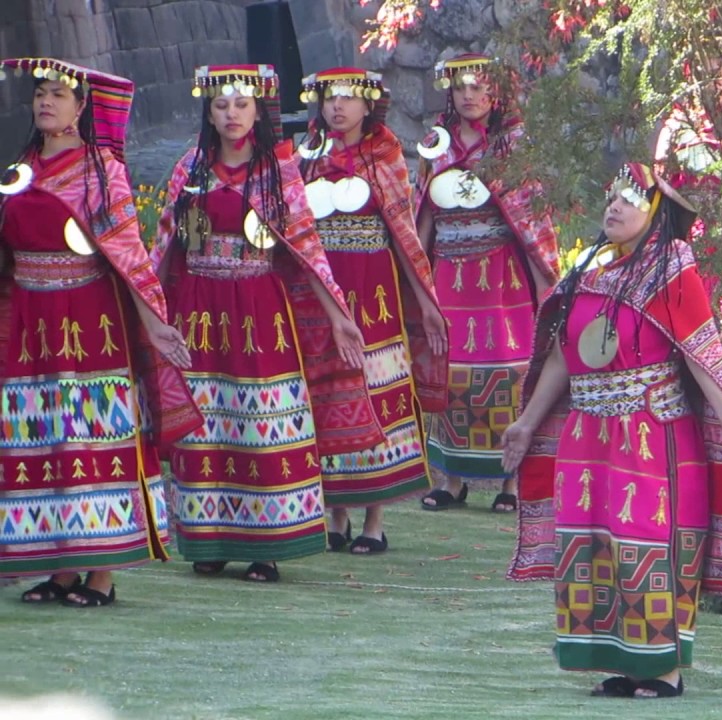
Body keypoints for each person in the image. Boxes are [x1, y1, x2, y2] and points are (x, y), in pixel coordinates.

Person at [502, 162, 722, 698]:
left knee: (643, 542)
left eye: (630, 200)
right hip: (588, 433)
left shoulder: (671, 267)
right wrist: (526, 424)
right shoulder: (590, 268)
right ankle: (619, 661)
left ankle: (663, 669)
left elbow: (699, 352)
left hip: (650, 434)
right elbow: (563, 356)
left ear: (657, 215)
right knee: (594, 544)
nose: (614, 207)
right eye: (613, 197)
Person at [151, 64, 379, 582]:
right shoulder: (190, 168)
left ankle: (266, 545)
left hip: (260, 312)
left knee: (259, 421)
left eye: (241, 104)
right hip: (201, 314)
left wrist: (338, 317)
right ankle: (208, 541)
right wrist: (152, 316)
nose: (231, 114)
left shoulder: (276, 171)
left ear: (258, 111)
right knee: (206, 419)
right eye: (221, 105)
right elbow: (165, 247)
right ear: (208, 112)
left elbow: (306, 249)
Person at [0, 57, 199, 606]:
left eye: (58, 95)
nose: (46, 102)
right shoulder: (20, 169)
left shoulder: (100, 170)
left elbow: (128, 256)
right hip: (32, 324)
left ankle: (103, 573)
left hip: (91, 322)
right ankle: (59, 566)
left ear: (81, 108)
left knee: (94, 435)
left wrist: (155, 325)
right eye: (40, 93)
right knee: (43, 433)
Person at [295, 68, 448, 554]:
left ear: (368, 106)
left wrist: (425, 302)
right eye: (329, 99)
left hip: (372, 288)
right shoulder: (306, 158)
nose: (337, 108)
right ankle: (336, 514)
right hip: (324, 284)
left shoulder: (384, 157)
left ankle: (374, 520)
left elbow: (404, 235)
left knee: (377, 384)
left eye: (347, 99)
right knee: (330, 389)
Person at [414, 53, 559, 513]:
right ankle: (449, 479)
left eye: (478, 87)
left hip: (502, 278)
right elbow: (422, 214)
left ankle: (510, 481)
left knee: (508, 373)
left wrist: (546, 289)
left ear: (496, 92)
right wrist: (417, 278)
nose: (470, 96)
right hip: (450, 275)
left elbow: (533, 218)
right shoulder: (435, 145)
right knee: (450, 371)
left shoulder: (513, 144)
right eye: (461, 89)